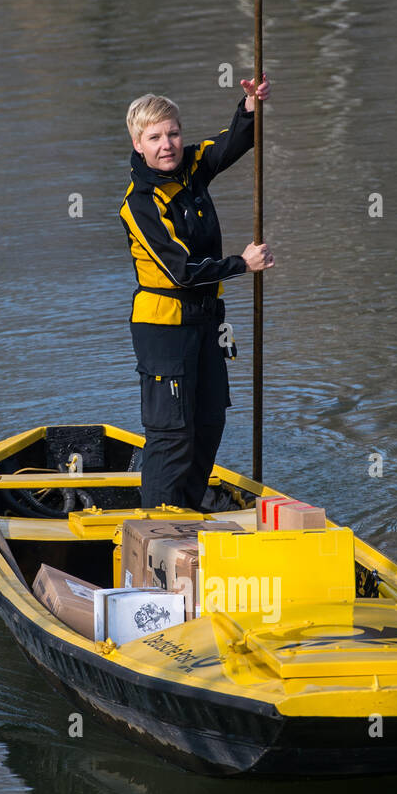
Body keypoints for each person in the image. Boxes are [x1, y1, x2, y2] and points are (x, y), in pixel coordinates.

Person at [119, 75, 274, 510]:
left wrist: (249, 105)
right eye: (154, 138)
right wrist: (242, 264)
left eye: (172, 133)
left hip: (207, 320)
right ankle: (154, 530)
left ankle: (188, 513)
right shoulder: (141, 204)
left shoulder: (191, 166)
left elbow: (232, 143)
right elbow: (181, 272)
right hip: (164, 329)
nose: (166, 144)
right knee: (173, 434)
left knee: (209, 421)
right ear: (138, 145)